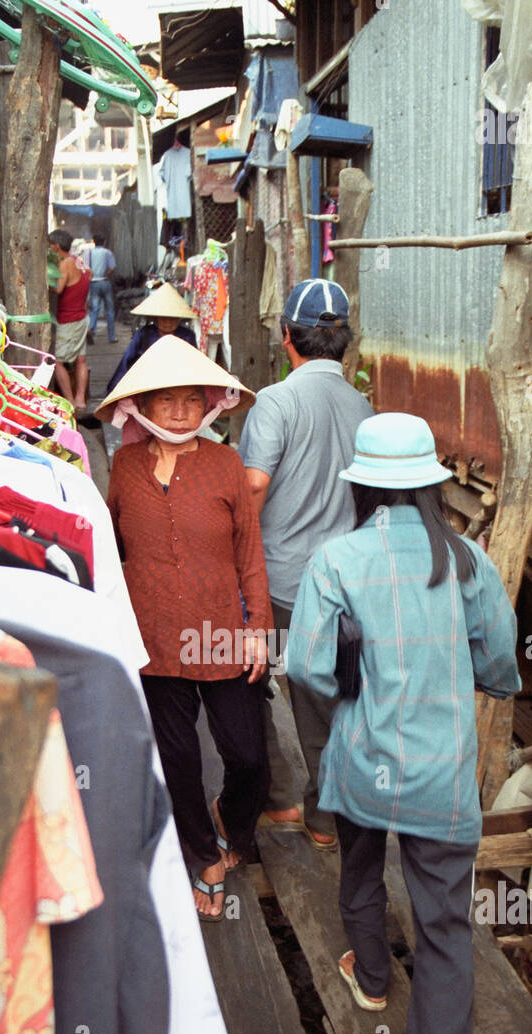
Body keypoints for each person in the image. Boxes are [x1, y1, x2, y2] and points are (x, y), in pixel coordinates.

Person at [286, 412, 521, 1034]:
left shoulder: (334, 560)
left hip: (362, 766)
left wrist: (345, 690)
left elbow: (303, 667)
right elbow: (500, 661)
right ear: (429, 489)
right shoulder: (465, 560)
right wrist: (481, 676)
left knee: (358, 870)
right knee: (446, 925)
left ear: (362, 488)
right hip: (442, 773)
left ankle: (375, 981)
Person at [99, 335, 272, 921]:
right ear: (141, 409)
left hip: (222, 628)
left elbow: (250, 554)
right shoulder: (124, 465)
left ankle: (232, 818)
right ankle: (203, 855)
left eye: (189, 401)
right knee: (178, 757)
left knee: (248, 754)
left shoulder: (225, 464)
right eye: (164, 401)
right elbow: (111, 548)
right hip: (153, 633)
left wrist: (259, 632)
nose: (178, 412)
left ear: (208, 405)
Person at [239, 278, 373, 850]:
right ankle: (324, 818)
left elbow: (252, 489)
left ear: (286, 336)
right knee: (327, 699)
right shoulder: (364, 406)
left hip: (281, 580)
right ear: (344, 342)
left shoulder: (276, 401)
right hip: (346, 583)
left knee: (243, 682)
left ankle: (278, 798)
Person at [104, 281, 198, 396]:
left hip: (178, 385)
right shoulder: (144, 335)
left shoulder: (187, 336)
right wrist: (115, 391)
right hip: (147, 386)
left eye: (172, 318)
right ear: (155, 318)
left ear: (179, 319)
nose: (168, 322)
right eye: (163, 318)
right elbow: (126, 363)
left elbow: (195, 366)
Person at [48, 228, 91, 412]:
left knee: (57, 361)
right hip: (81, 317)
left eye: (50, 247)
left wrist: (45, 277)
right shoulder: (78, 261)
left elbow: (58, 288)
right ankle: (80, 399)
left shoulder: (65, 263)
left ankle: (71, 401)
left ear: (56, 246)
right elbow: (90, 273)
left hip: (69, 319)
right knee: (81, 360)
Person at [84, 234, 117, 344]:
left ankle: (91, 330)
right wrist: (106, 274)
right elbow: (112, 268)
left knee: (94, 309)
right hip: (105, 282)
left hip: (94, 283)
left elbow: (86, 268)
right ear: (104, 242)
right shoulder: (108, 253)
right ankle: (112, 337)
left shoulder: (89, 253)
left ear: (94, 242)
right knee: (110, 311)